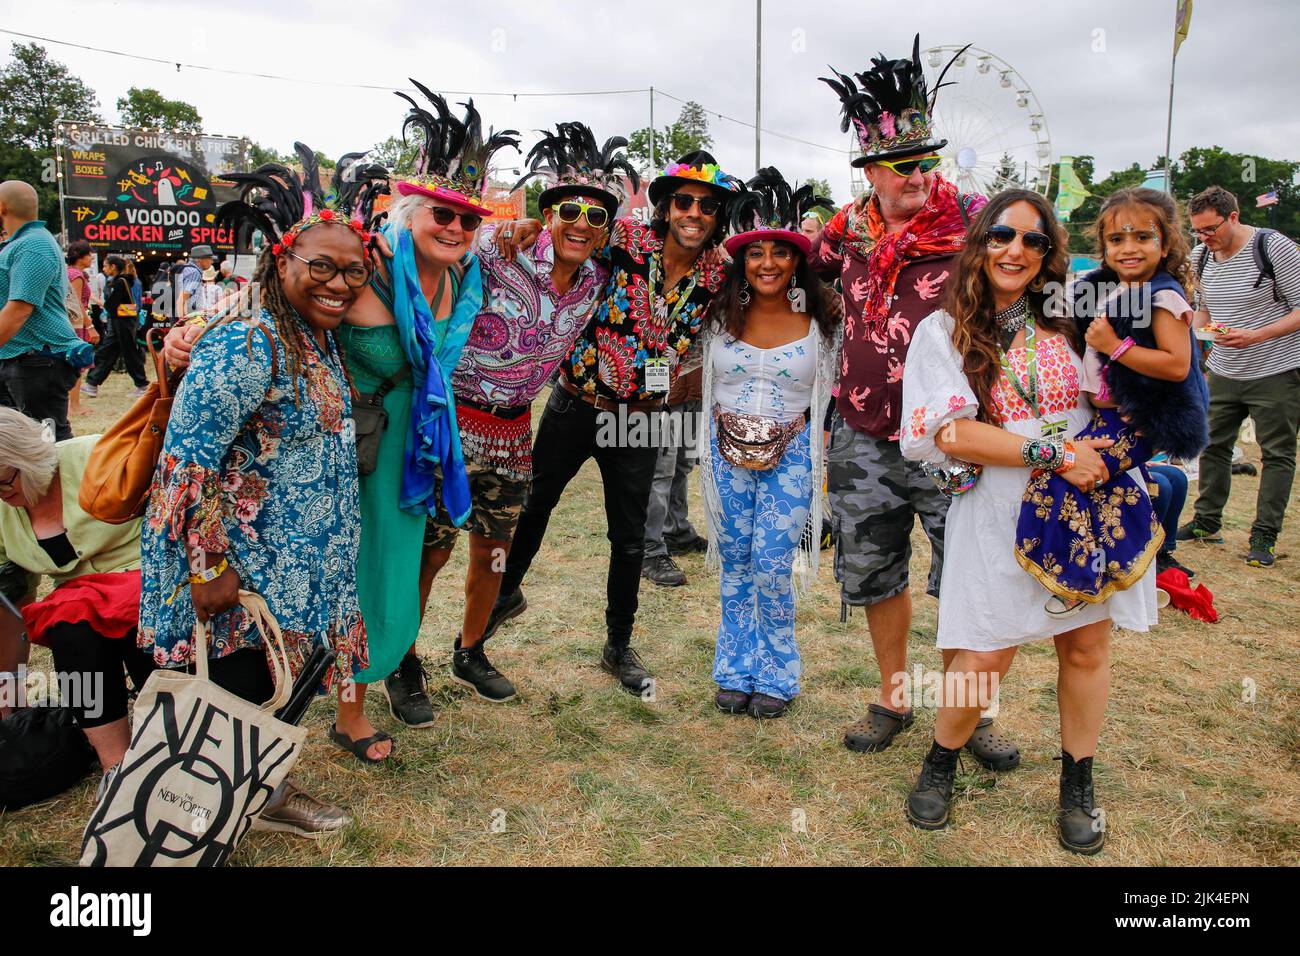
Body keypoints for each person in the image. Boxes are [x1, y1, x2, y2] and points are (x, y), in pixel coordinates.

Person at [900, 189, 1157, 854]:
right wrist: (1057, 453)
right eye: (1003, 236)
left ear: (1049, 253)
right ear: (980, 243)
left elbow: (1139, 386)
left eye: (1033, 241)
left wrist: (1113, 447)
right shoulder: (944, 329)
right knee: (987, 650)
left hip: (1090, 505)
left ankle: (1078, 782)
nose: (1016, 250)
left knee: (1085, 647)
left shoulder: (1075, 319)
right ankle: (941, 760)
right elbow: (951, 434)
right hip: (1001, 509)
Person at [139, 152, 380, 796]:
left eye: (354, 269)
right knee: (236, 700)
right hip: (246, 570)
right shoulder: (249, 340)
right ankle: (207, 810)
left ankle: (258, 789)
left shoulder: (315, 332)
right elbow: (186, 464)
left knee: (279, 694)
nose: (339, 282)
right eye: (320, 266)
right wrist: (210, 566)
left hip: (306, 563)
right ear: (281, 260)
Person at [816, 38, 1015, 766]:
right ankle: (894, 696)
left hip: (953, 434)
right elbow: (798, 275)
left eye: (930, 161)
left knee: (967, 579)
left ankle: (969, 712)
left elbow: (1033, 277)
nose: (922, 176)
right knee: (876, 573)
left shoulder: (974, 221)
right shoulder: (847, 228)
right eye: (906, 166)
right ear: (871, 171)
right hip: (864, 433)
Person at [485, 149, 739, 693]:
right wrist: (528, 226)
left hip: (642, 420)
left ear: (718, 216)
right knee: (534, 506)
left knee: (628, 539)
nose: (695, 213)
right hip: (577, 403)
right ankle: (500, 602)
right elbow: (571, 234)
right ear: (667, 208)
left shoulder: (720, 273)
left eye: (708, 206)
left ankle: (618, 646)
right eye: (686, 202)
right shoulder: (626, 241)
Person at [399, 122, 632, 711]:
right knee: (432, 549)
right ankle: (403, 659)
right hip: (452, 424)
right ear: (548, 214)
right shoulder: (501, 251)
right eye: (569, 210)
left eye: (597, 216)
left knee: (494, 550)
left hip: (512, 433)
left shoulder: (599, 283)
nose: (582, 223)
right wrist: (511, 226)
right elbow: (440, 240)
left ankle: (470, 650)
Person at [1018, 187, 1201, 615]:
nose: (1129, 248)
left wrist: (1114, 345)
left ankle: (1080, 581)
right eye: (1117, 239)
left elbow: (1177, 365)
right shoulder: (1108, 291)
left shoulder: (1162, 297)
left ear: (1166, 242)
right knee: (1093, 486)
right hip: (1105, 419)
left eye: (1142, 237)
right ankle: (1108, 567)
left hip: (1132, 422)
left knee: (1056, 480)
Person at [698, 168, 838, 719]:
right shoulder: (717, 312)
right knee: (735, 561)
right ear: (741, 261)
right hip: (724, 452)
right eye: (755, 253)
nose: (768, 264)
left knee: (773, 564)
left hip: (794, 456)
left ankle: (777, 674)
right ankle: (734, 670)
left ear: (797, 259)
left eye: (781, 252)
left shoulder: (823, 317)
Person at [1180, 184, 1300, 567]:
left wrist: (1257, 335)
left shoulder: (1273, 247)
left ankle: (1264, 535)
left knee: (1277, 453)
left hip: (1275, 369)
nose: (1204, 238)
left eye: (1211, 229)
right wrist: (1196, 336)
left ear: (1234, 216)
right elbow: (1204, 311)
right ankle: (1206, 521)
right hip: (1225, 369)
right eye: (1197, 231)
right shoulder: (1201, 256)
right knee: (1212, 445)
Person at [0, 181, 95, 441]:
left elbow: (20, 308)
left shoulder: (33, 245)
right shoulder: (19, 244)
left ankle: (62, 483)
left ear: (2, 207)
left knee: (48, 441)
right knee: (16, 442)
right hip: (21, 356)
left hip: (38, 359)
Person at [640, 364, 706, 587]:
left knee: (683, 465)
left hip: (696, 385)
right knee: (660, 473)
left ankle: (676, 531)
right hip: (665, 388)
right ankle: (650, 550)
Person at [81, 255, 149, 397]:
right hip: (122, 321)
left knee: (125, 352)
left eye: (106, 266)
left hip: (121, 321)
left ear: (113, 267)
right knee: (108, 352)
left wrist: (107, 306)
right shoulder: (126, 281)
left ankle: (142, 385)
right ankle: (92, 383)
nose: (104, 269)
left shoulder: (120, 282)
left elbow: (111, 304)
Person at [63, 241, 99, 418]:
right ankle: (74, 406)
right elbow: (76, 303)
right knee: (77, 365)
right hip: (76, 326)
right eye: (89, 254)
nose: (92, 258)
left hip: (68, 324)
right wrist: (90, 326)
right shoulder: (76, 275)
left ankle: (72, 405)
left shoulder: (66, 272)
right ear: (80, 256)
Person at [174, 244, 215, 318]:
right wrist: (183, 321)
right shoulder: (194, 273)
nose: (212, 262)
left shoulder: (188, 269)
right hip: (188, 318)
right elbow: (182, 299)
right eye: (209, 258)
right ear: (199, 259)